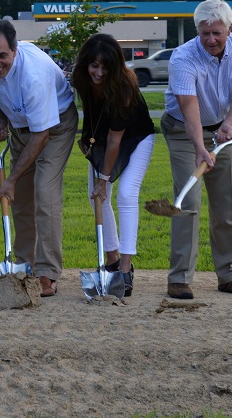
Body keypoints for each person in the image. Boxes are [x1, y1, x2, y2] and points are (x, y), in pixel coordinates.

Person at [0, 19, 78, 297]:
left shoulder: (33, 77)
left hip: (54, 128)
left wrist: (10, 179)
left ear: (15, 50)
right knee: (20, 197)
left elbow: (41, 135)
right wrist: (0, 121)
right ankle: (23, 265)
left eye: (2, 56)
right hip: (21, 128)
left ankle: (47, 272)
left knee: (44, 192)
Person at [162, 0, 232, 300]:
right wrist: (200, 147)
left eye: (217, 32)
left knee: (225, 204)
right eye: (205, 33)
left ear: (230, 28)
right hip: (182, 130)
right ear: (197, 31)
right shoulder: (182, 57)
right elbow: (189, 108)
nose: (211, 39)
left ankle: (229, 275)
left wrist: (229, 125)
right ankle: (179, 279)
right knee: (188, 201)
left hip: (221, 129)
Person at [72, 33, 155, 296]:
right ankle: (112, 260)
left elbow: (116, 141)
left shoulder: (124, 88)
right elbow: (93, 116)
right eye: (94, 65)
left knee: (126, 193)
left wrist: (104, 178)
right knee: (97, 197)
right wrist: (88, 140)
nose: (98, 72)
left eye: (105, 67)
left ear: (115, 66)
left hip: (137, 138)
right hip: (103, 139)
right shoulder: (81, 79)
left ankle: (126, 269)